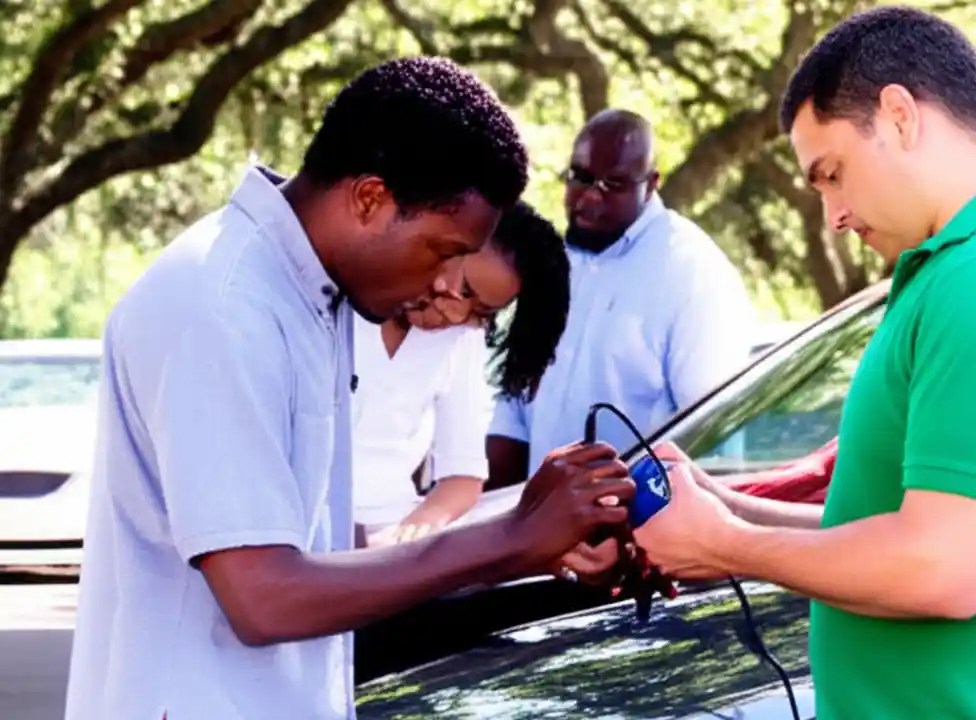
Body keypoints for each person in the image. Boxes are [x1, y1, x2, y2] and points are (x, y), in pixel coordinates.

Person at [64, 57, 633, 720]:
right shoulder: (225, 305)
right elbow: (263, 596)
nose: (449, 285)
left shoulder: (311, 289)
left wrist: (530, 534)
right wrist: (510, 540)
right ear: (369, 199)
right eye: (445, 250)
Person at [634, 6, 976, 719]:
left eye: (832, 174)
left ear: (900, 115)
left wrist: (728, 546)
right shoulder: (967, 268)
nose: (832, 216)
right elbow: (903, 526)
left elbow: (942, 567)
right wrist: (730, 510)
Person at [486, 109, 755, 489]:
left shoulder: (691, 272)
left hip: (634, 529)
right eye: (580, 177)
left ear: (652, 183)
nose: (592, 196)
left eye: (615, 184)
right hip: (533, 522)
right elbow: (513, 401)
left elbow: (710, 433)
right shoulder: (555, 261)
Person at [352, 201, 570, 546]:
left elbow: (463, 476)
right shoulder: (345, 298)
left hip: (388, 540)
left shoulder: (460, 338)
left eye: (480, 311)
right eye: (465, 288)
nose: (454, 314)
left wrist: (411, 532)